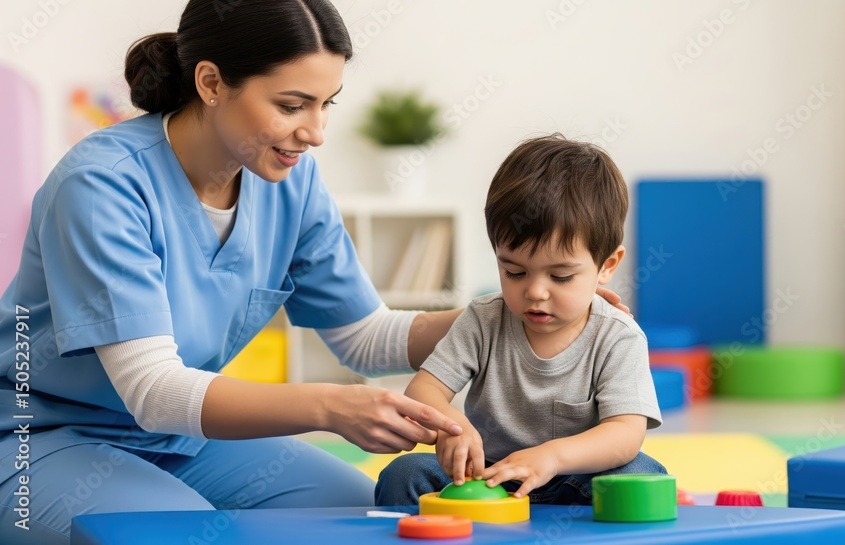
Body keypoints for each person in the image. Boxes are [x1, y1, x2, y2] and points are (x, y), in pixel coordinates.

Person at [0, 3, 631, 542]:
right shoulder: (104, 184)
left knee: (361, 514)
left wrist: (508, 315)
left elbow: (364, 335)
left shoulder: (287, 183)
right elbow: (154, 390)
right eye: (292, 104)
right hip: (42, 438)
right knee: (185, 535)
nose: (316, 132)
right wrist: (330, 406)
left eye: (327, 104)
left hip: (177, 441)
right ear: (212, 81)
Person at [374, 135, 666, 507]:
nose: (535, 292)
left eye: (560, 277)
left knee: (642, 476)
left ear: (606, 266)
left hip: (574, 477)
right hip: (486, 477)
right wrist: (453, 426)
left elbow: (625, 434)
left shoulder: (618, 336)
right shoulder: (483, 319)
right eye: (514, 271)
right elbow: (423, 391)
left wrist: (553, 457)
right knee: (404, 474)